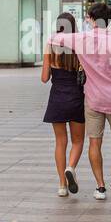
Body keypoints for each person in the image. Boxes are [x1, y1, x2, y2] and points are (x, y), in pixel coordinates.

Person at [48, 2, 111, 200]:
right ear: (108, 21)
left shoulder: (81, 39)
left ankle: (100, 187)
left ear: (90, 19)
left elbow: (54, 37)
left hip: (93, 100)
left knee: (94, 143)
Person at [41, 12, 86, 197]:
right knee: (78, 141)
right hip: (76, 97)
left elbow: (44, 78)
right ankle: (71, 167)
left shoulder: (50, 46)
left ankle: (61, 185)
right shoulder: (80, 46)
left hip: (57, 98)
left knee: (60, 142)